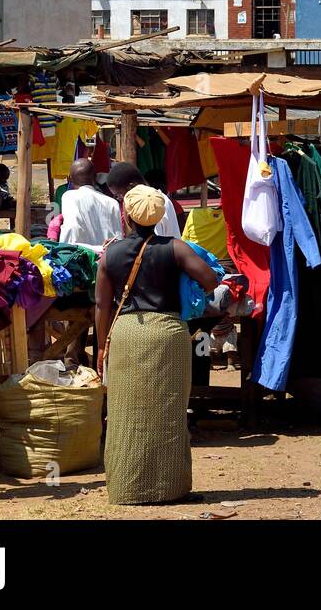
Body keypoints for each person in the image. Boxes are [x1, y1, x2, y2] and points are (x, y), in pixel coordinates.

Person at [95, 185, 220, 504]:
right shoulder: (176, 248)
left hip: (126, 334)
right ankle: (170, 487)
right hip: (167, 333)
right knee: (169, 411)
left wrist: (100, 348)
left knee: (124, 415)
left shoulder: (110, 252)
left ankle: (126, 488)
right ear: (160, 215)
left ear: (126, 215)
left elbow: (101, 305)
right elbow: (210, 279)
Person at [106, 162, 180, 237]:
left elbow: (153, 243)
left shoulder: (154, 203)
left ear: (131, 188)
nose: (119, 199)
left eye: (119, 195)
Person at [60, 158, 124, 246]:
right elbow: (118, 238)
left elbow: (71, 230)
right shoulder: (112, 203)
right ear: (95, 177)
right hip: (107, 256)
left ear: (70, 179)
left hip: (80, 255)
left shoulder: (69, 197)